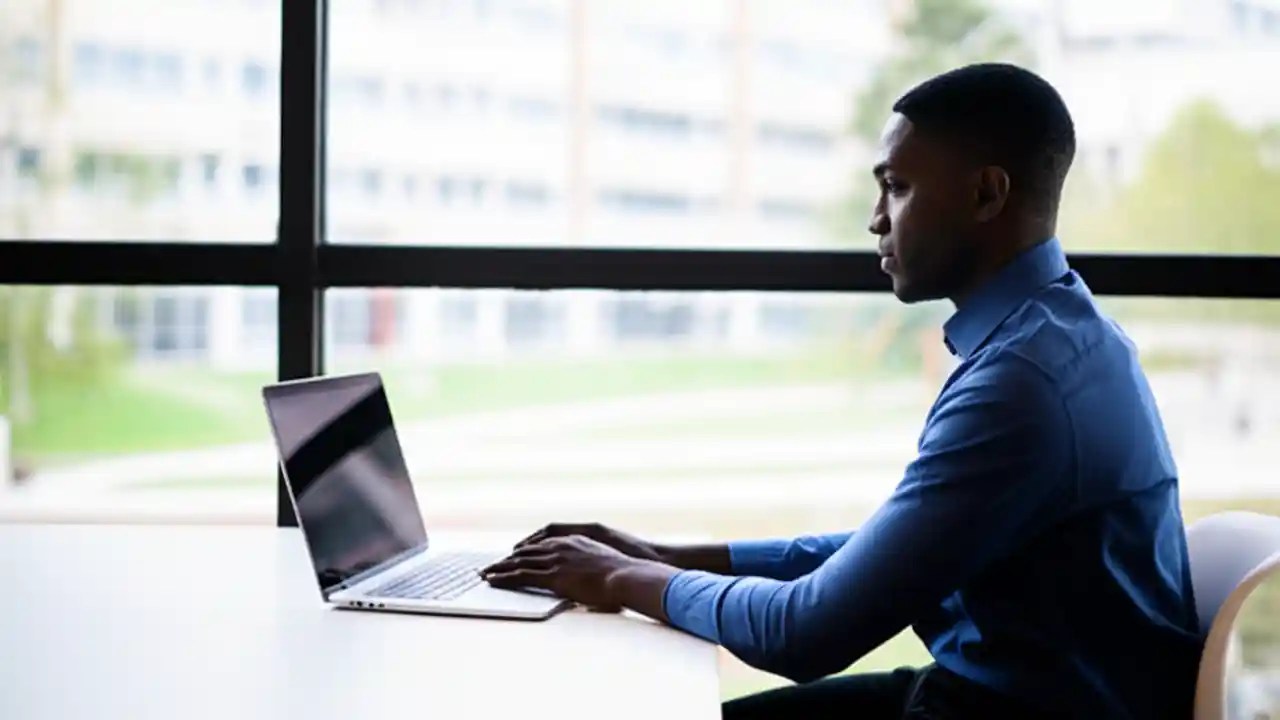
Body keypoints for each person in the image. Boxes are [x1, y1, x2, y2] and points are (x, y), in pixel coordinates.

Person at [481, 63, 1202, 719]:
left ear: (987, 194)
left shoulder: (1024, 383)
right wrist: (669, 557)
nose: (876, 218)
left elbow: (805, 633)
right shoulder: (1056, 334)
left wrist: (620, 578)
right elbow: (891, 553)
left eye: (897, 186)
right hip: (986, 693)